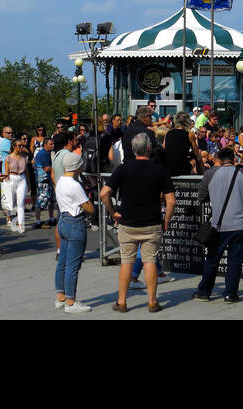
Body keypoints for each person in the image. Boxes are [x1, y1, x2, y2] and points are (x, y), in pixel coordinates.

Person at [101, 133, 175, 313]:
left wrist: (113, 212)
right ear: (149, 148)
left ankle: (122, 301)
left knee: (127, 261)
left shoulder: (123, 169)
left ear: (133, 150)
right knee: (150, 260)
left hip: (127, 222)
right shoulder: (160, 170)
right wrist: (166, 221)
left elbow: (104, 193)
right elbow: (171, 201)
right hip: (151, 222)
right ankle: (152, 301)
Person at [193, 147, 243, 304]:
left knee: (212, 258)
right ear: (234, 159)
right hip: (240, 224)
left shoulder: (210, 174)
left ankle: (204, 291)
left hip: (218, 225)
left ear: (219, 159)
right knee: (235, 261)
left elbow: (201, 197)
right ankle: (230, 294)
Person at [54, 146, 95, 313]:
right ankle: (71, 302)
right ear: (77, 166)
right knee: (73, 264)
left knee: (63, 262)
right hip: (74, 222)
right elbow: (89, 207)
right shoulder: (75, 185)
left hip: (63, 219)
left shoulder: (61, 181)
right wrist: (90, 208)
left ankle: (61, 297)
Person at [2, 139, 29, 233]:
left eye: (22, 145)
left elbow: (27, 171)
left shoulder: (24, 157)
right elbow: (6, 172)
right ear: (14, 147)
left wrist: (28, 183)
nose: (21, 147)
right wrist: (6, 182)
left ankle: (20, 224)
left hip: (22, 178)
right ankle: (11, 219)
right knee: (11, 202)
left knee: (20, 203)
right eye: (19, 146)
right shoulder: (8, 158)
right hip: (12, 178)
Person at [164, 111, 200, 175]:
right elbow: (197, 154)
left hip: (168, 167)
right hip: (182, 168)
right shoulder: (190, 135)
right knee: (194, 159)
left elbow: (164, 149)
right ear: (187, 122)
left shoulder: (168, 133)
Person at [33, 136, 56, 228]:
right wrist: (56, 169)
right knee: (41, 200)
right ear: (45, 145)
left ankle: (51, 218)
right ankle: (38, 221)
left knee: (50, 200)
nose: (53, 145)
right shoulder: (43, 154)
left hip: (46, 180)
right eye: (51, 144)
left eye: (53, 143)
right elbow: (47, 168)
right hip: (43, 181)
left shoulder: (46, 153)